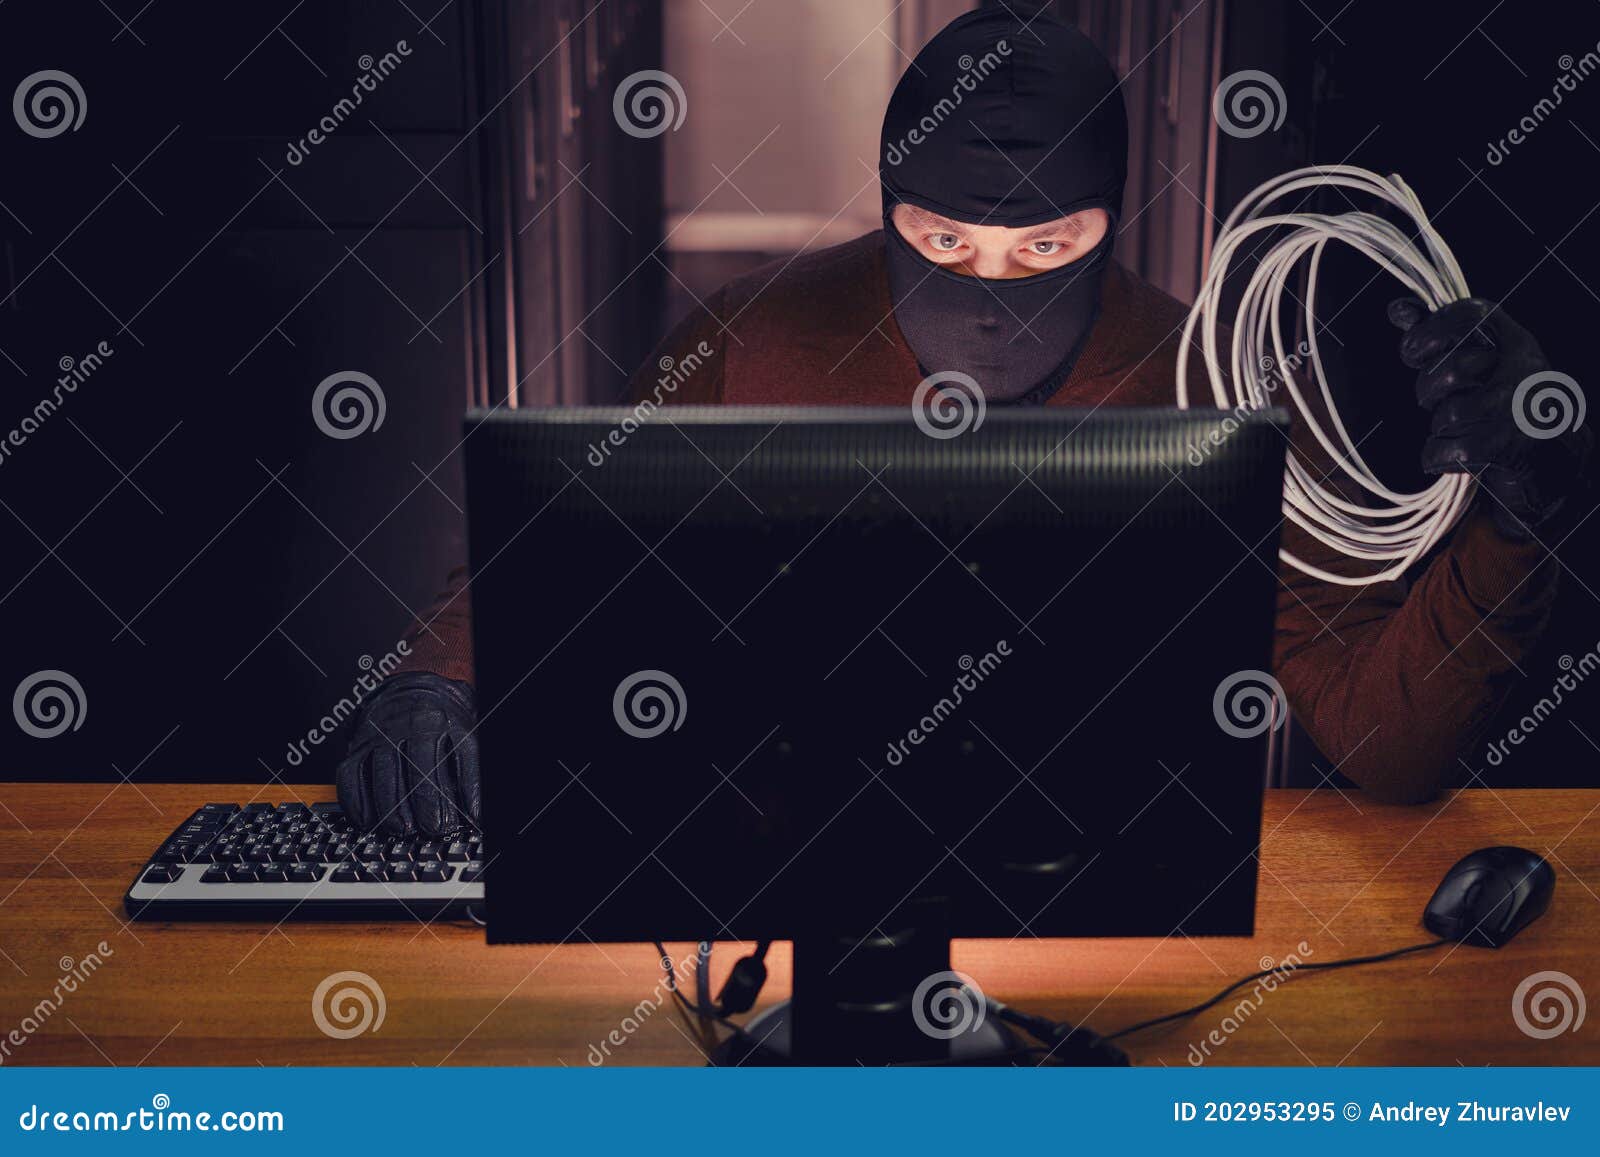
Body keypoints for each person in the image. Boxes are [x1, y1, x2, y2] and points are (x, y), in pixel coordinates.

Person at [336, 9, 1590, 835]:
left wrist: (1515, 519)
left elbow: (1388, 740)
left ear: (1106, 223)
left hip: (1099, 919)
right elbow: (557, 554)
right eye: (946, 239)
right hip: (774, 871)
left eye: (1044, 243)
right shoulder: (741, 341)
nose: (992, 285)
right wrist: (434, 681)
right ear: (890, 208)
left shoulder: (1210, 387)